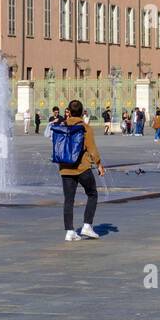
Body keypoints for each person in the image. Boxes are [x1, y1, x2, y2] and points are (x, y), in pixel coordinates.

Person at [56, 100, 105, 242]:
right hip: (82, 167)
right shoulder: (85, 127)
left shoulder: (62, 126)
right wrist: (99, 164)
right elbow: (92, 149)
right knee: (92, 193)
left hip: (65, 168)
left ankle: (69, 231)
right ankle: (87, 225)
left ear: (69, 112)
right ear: (82, 112)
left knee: (68, 200)